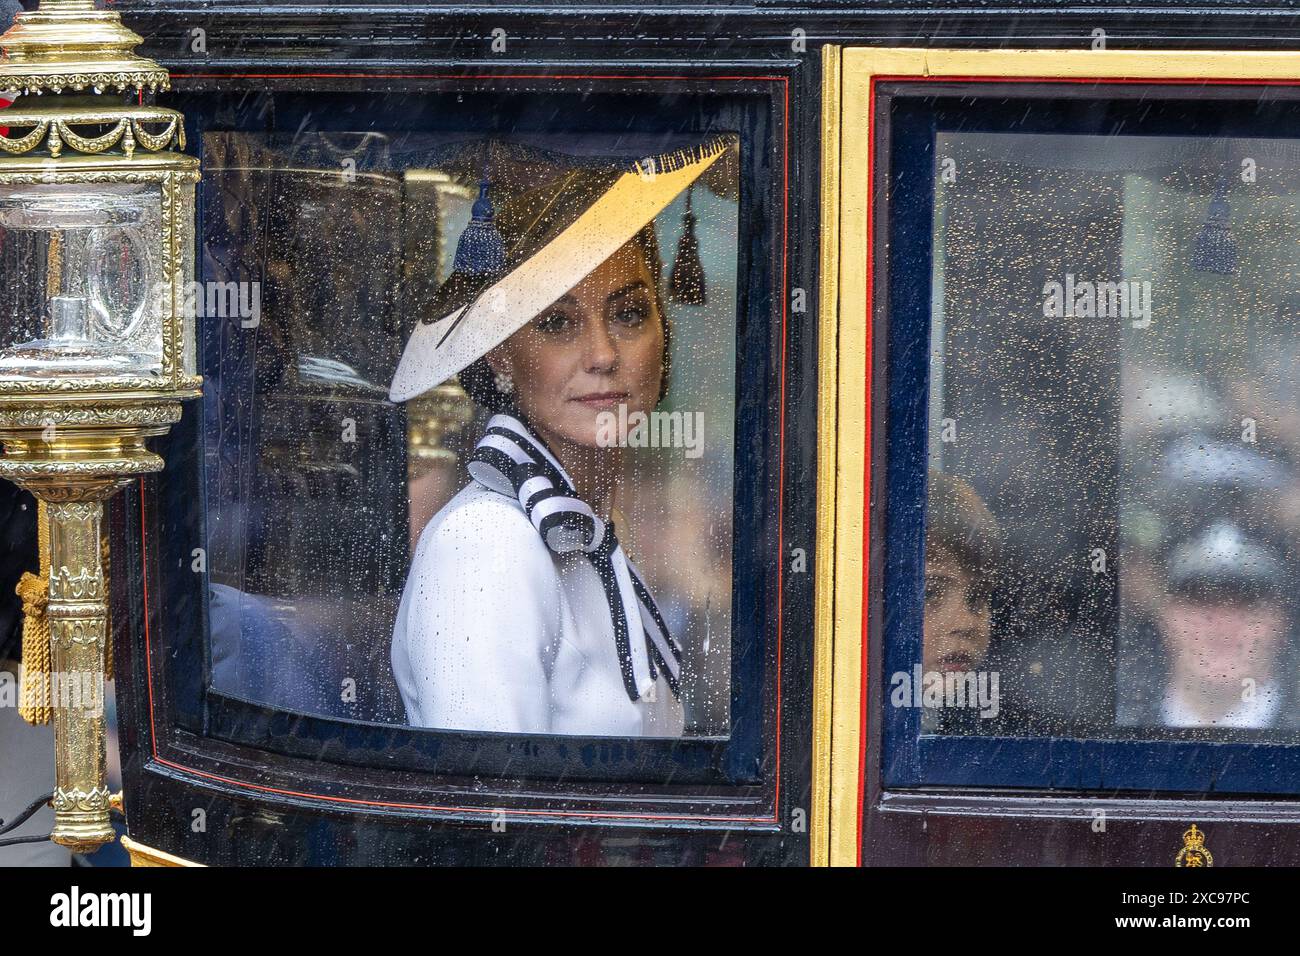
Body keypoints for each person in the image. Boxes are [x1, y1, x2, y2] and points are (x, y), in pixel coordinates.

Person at [388, 135, 731, 736]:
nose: (603, 354)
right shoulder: (487, 545)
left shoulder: (595, 545)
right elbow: (497, 816)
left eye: (629, 314)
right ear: (500, 356)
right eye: (557, 323)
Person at [1118, 522, 1300, 731]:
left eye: (1248, 604)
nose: (1222, 628)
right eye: (1199, 601)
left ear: (1280, 621)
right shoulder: (1111, 720)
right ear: (1165, 616)